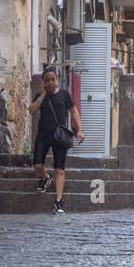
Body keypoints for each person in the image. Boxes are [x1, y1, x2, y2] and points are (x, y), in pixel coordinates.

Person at [29, 66, 83, 214]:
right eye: (47, 80)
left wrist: (79, 130)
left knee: (59, 169)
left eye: (53, 80)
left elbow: (74, 111)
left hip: (60, 136)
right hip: (43, 135)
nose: (51, 82)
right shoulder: (40, 96)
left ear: (57, 80)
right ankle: (45, 178)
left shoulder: (64, 95)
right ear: (43, 82)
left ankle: (58, 201)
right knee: (37, 165)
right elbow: (32, 110)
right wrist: (43, 95)